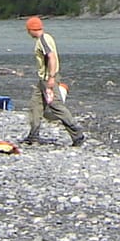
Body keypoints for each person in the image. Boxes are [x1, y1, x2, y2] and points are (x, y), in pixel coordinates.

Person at [23, 16, 84, 147]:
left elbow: (51, 58)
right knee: (35, 105)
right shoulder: (47, 37)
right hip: (43, 80)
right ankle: (33, 135)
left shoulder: (43, 40)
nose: (28, 33)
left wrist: (51, 77)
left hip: (48, 79)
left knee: (56, 106)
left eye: (28, 30)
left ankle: (76, 132)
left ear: (31, 29)